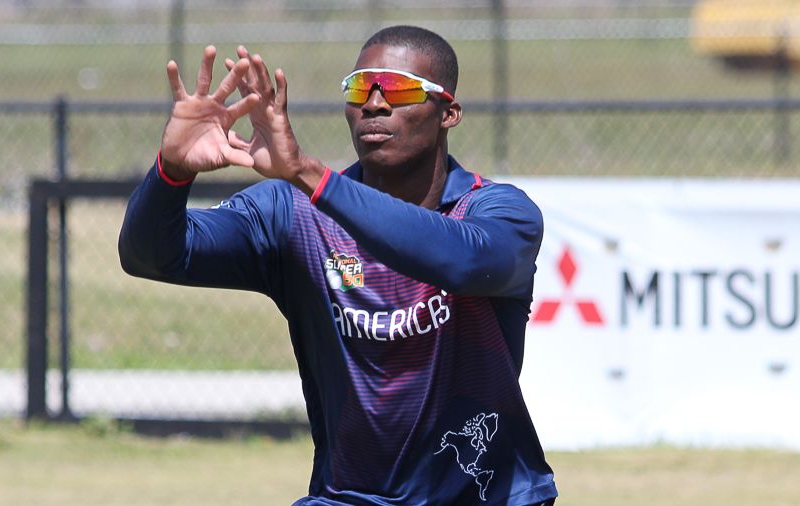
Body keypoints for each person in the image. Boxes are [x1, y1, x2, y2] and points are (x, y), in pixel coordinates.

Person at [119, 25, 557, 506]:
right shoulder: (292, 214)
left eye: (399, 88)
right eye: (359, 88)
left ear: (448, 112)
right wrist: (172, 171)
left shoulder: (498, 211)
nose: (374, 103)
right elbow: (151, 256)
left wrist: (308, 173)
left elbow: (465, 260)